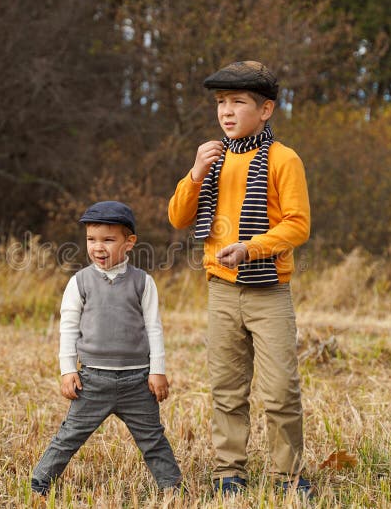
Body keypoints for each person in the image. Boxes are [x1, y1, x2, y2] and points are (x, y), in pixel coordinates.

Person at [168, 61, 312, 496]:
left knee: (281, 391)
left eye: (238, 102)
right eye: (221, 103)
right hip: (222, 291)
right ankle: (228, 472)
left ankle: (289, 476)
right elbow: (177, 217)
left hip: (269, 291)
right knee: (226, 389)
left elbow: (298, 225)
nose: (226, 112)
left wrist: (251, 248)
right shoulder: (211, 159)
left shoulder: (284, 159)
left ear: (265, 109)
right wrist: (194, 173)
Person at [31, 200, 182, 496]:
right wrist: (66, 370)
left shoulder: (143, 283)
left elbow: (154, 328)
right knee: (69, 435)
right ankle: (40, 483)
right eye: (91, 239)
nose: (98, 247)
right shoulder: (80, 282)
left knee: (152, 438)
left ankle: (172, 487)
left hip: (137, 381)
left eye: (108, 240)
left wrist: (158, 371)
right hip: (93, 380)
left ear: (129, 243)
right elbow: (68, 327)